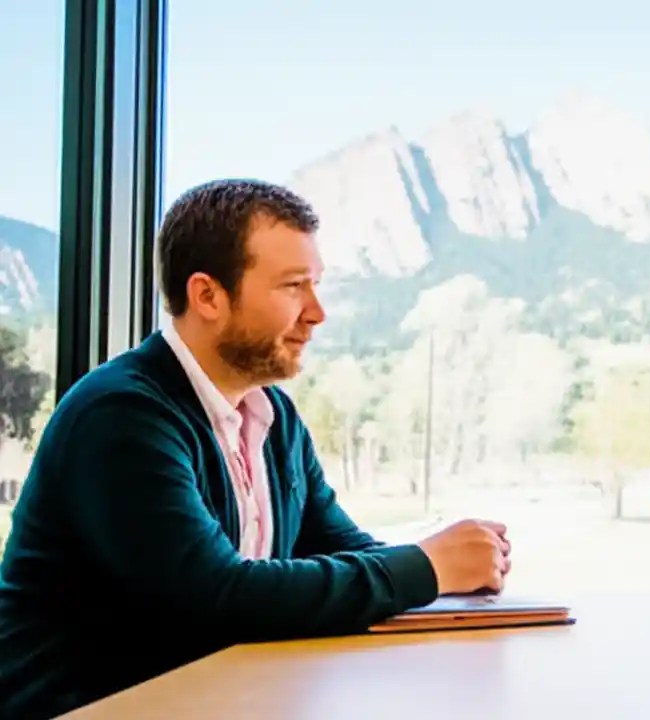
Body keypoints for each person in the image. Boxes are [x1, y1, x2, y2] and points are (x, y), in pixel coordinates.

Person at [0, 179, 512, 718]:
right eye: (293, 286)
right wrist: (428, 567)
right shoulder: (120, 416)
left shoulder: (274, 418)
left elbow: (341, 551)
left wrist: (450, 571)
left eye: (315, 285)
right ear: (207, 296)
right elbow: (216, 599)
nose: (317, 312)